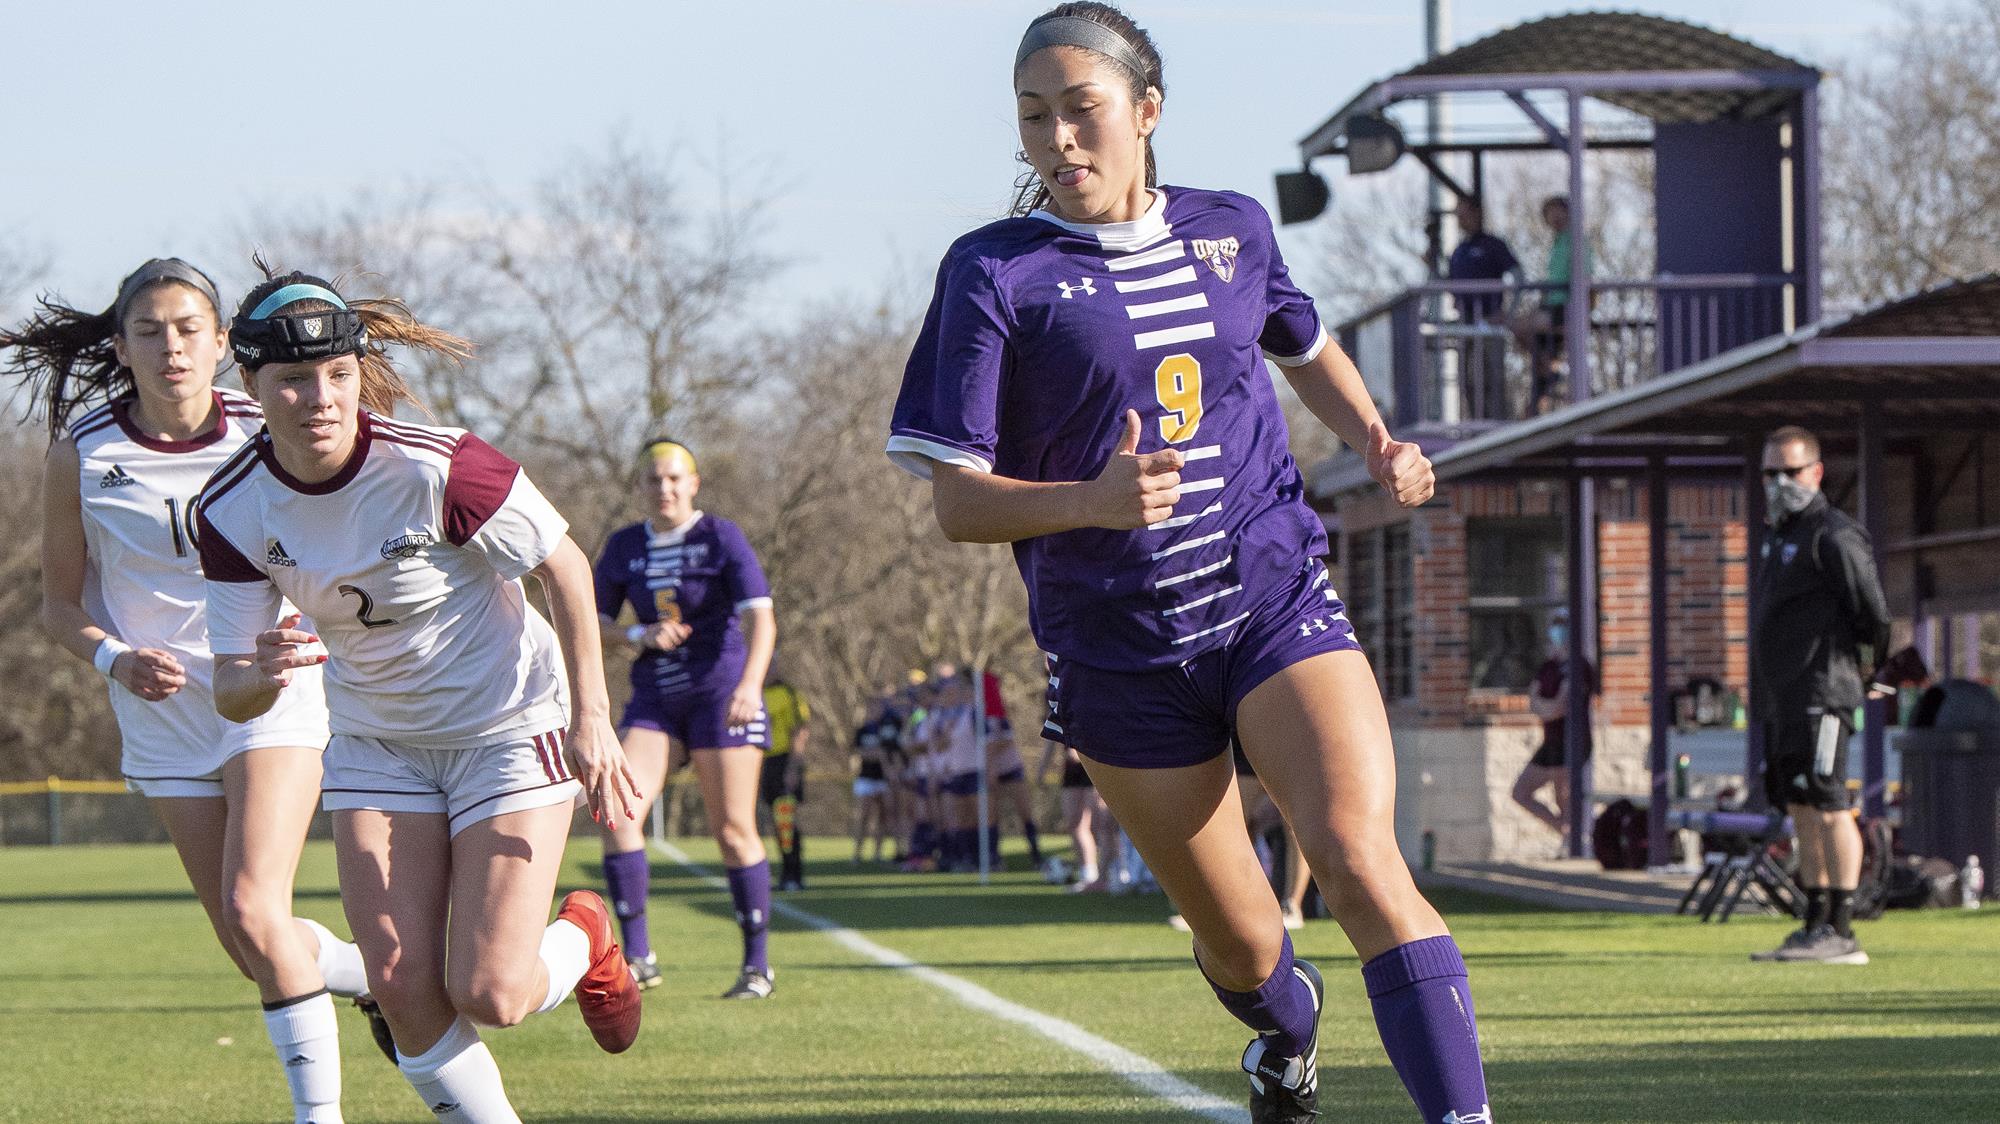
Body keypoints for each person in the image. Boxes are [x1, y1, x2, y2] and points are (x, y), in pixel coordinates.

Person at [885, 7, 1492, 1119]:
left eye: (1082, 110)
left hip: (1271, 599)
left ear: (1145, 112)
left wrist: (1373, 438)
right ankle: (1285, 1030)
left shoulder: (1232, 229)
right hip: (1115, 651)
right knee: (1244, 941)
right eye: (1033, 118)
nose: (1058, 139)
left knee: (1358, 859)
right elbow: (958, 506)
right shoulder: (993, 272)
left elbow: (1304, 348)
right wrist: (1090, 501)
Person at [196, 267, 643, 1120]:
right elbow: (230, 689)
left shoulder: (439, 465)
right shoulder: (230, 509)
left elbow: (566, 567)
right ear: (250, 384)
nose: (319, 398)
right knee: (402, 987)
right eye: (292, 379)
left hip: (510, 725)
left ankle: (584, 932)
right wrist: (254, 678)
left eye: (337, 375)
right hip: (377, 744)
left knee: (492, 993)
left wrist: (593, 719)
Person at [9, 258, 385, 1124]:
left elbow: (348, 537)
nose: (172, 346)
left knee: (259, 908)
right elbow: (59, 608)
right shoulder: (83, 450)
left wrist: (310, 619)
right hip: (161, 713)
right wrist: (115, 660)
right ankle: (377, 983)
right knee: (247, 943)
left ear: (223, 344)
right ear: (122, 347)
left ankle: (317, 1116)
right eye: (151, 330)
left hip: (273, 688)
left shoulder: (271, 424)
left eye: (189, 329)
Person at [592, 437, 780, 998]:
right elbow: (590, 622)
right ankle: (640, 958)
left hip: (720, 695)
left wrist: (750, 685)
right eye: (654, 479)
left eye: (675, 478)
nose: (665, 488)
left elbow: (762, 619)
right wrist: (636, 633)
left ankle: (756, 966)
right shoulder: (626, 545)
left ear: (693, 483)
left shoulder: (719, 537)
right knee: (621, 814)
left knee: (732, 830)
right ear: (641, 487)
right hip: (654, 697)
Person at [1748, 425, 1891, 966]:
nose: (1781, 482)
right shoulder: (1778, 535)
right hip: (1781, 698)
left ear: (1816, 472)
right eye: (1771, 472)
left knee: (1831, 804)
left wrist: (1863, 669)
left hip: (1822, 692)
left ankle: (1844, 927)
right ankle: (1814, 921)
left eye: (1791, 470)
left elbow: (1872, 612)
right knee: (1802, 807)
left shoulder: (1834, 534)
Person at [1510, 611, 1597, 849]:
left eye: (1563, 626)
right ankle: (1568, 833)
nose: (1557, 631)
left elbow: (1561, 705)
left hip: (1572, 740)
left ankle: (1576, 840)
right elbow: (1534, 700)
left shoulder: (1580, 667)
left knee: (1564, 796)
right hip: (1551, 740)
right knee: (1521, 792)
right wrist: (1546, 707)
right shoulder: (1548, 666)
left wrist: (1545, 707)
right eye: (1555, 626)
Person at [1445, 196, 1520, 419]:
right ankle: (1475, 423)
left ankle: (1498, 423)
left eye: (1464, 212)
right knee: (1467, 377)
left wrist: (1509, 312)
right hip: (1464, 322)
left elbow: (1519, 276)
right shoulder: (1459, 251)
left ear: (1477, 213)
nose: (1460, 218)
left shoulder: (1493, 245)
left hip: (1489, 320)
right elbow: (1450, 285)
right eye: (1458, 214)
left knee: (1493, 375)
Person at [761, 668, 812, 890]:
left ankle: (794, 874)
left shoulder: (789, 694)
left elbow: (800, 731)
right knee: (776, 821)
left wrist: (793, 767)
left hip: (785, 761)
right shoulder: (756, 692)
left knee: (786, 819)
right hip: (766, 762)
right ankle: (785, 873)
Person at [851, 697, 898, 863]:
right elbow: (860, 752)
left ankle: (877, 853)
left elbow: (891, 752)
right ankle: (857, 853)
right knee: (863, 815)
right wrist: (875, 755)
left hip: (883, 779)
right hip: (866, 777)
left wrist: (881, 757)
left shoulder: (887, 730)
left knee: (883, 815)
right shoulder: (862, 730)